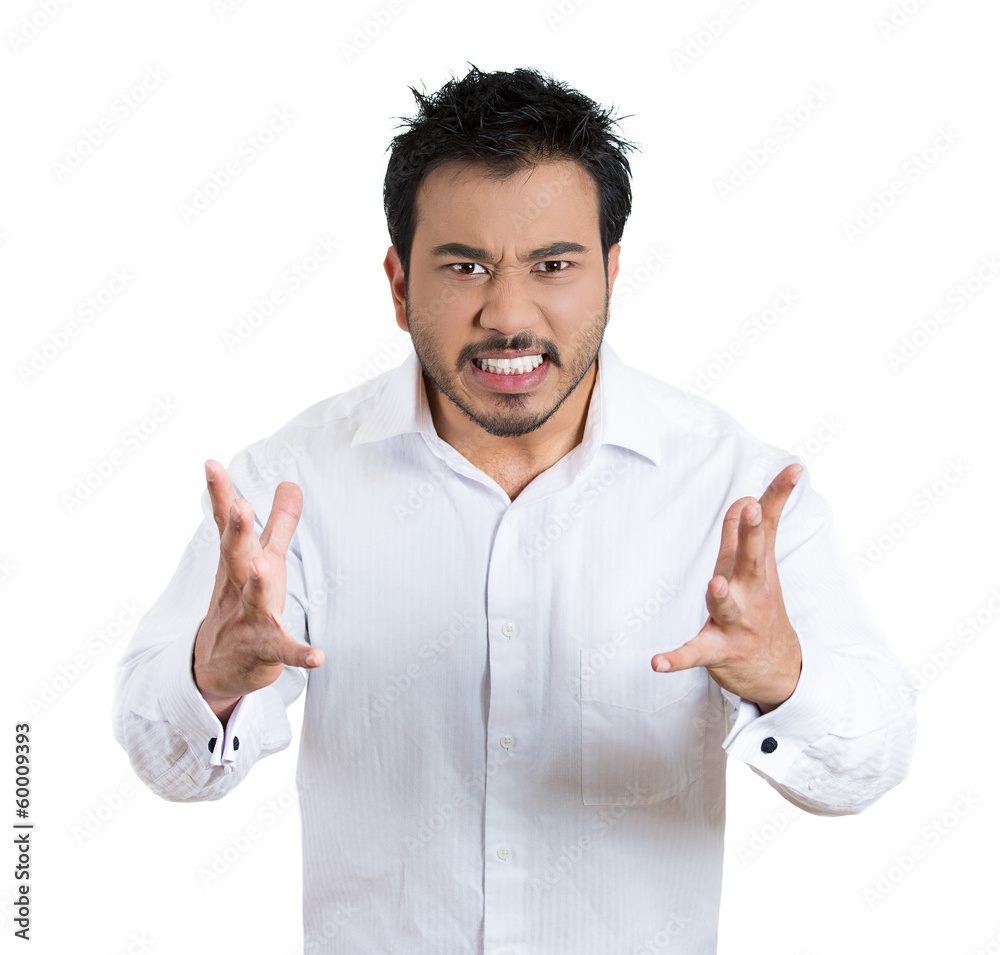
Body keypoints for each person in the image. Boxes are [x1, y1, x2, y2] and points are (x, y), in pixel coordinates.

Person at [113, 65, 917, 954]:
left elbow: (873, 759)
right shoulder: (290, 492)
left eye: (553, 265)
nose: (508, 314)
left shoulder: (736, 495)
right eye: (465, 266)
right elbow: (166, 762)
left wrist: (783, 678)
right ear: (398, 283)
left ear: (611, 272)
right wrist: (214, 677)